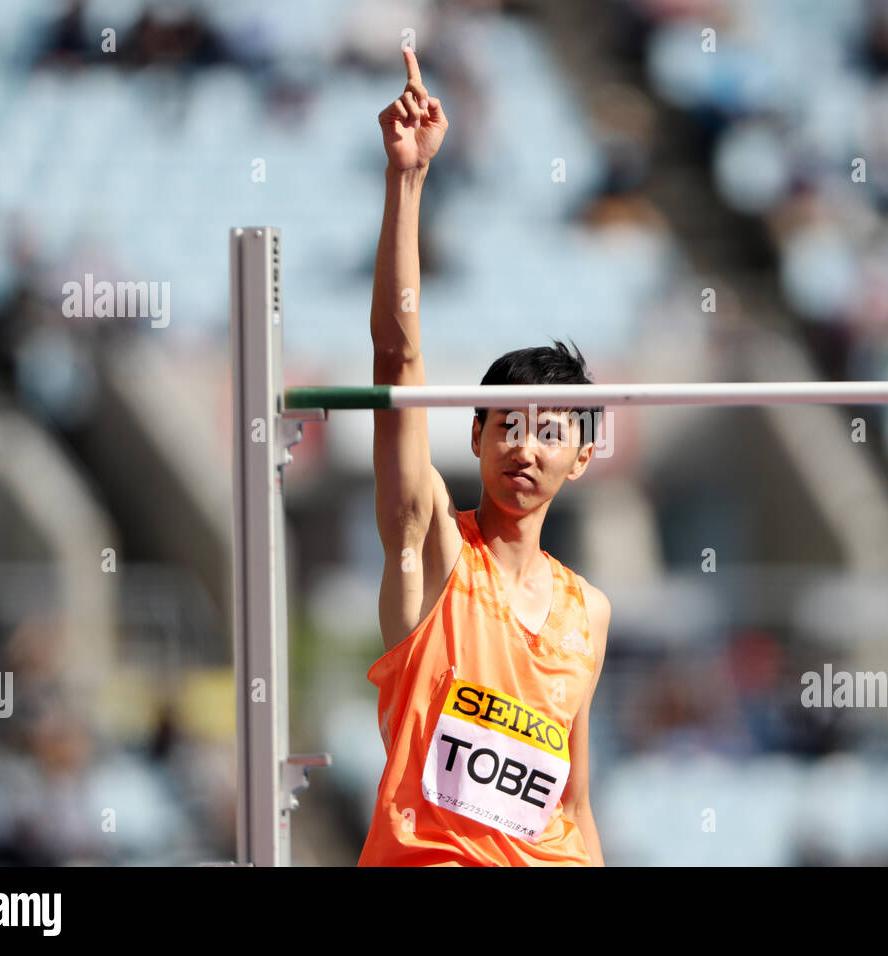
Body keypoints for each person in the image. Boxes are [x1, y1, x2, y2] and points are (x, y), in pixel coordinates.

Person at [357, 48, 611, 866]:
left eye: (551, 430)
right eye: (507, 425)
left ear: (583, 455)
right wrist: (407, 180)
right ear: (474, 436)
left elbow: (570, 799)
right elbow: (396, 360)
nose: (525, 446)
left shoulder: (588, 612)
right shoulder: (430, 545)